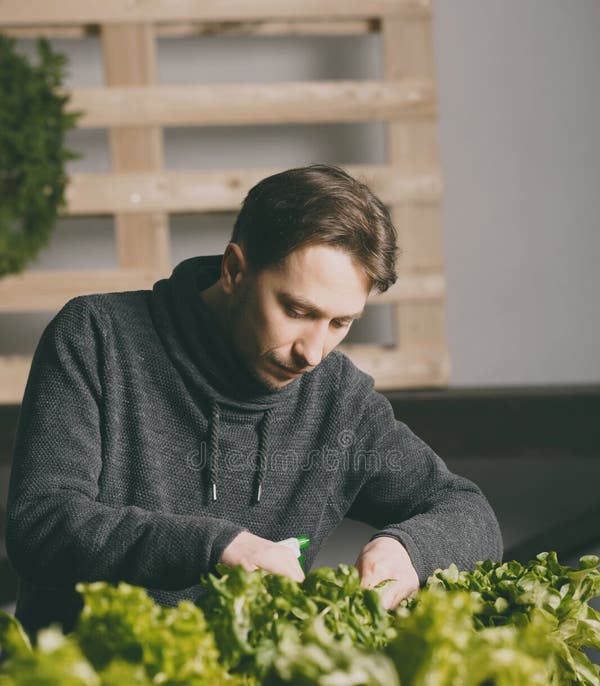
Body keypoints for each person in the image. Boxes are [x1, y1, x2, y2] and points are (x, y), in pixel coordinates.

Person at [6, 164, 502, 637]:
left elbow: (467, 510)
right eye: (297, 310)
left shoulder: (340, 401)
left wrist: (407, 549)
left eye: (340, 323)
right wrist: (219, 547)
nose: (313, 352)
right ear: (234, 270)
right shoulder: (96, 338)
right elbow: (42, 524)